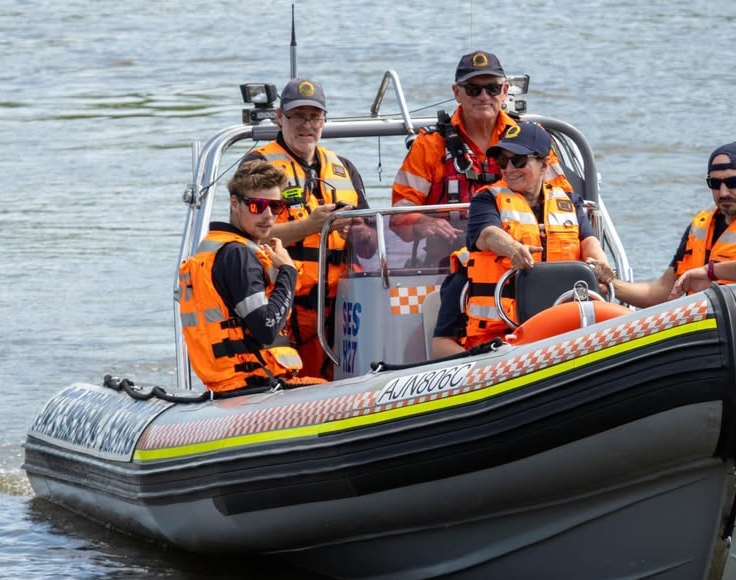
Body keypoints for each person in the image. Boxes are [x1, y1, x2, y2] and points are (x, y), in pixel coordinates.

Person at [431, 122, 614, 358]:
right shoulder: (486, 201)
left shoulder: (570, 203)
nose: (509, 169)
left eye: (518, 161)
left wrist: (600, 263)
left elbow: (589, 241)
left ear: (544, 164)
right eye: (503, 161)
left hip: (564, 333)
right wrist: (514, 249)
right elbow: (488, 234)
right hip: (499, 345)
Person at [243, 77, 372, 379]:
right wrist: (310, 226)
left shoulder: (344, 167)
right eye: (298, 116)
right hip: (280, 304)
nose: (307, 125)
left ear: (325, 119)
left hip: (341, 307)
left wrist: (360, 231)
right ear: (279, 117)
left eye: (314, 117)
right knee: (288, 383)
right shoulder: (258, 165)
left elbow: (370, 238)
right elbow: (246, 237)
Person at [391, 51, 572, 264]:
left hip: (527, 262)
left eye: (492, 88)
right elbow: (399, 214)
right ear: (456, 92)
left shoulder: (531, 138)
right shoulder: (429, 144)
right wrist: (422, 222)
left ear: (505, 91)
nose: (484, 97)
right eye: (473, 90)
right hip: (446, 266)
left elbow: (562, 201)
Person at [178, 161, 324, 393]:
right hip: (253, 385)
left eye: (276, 207)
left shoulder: (216, 249)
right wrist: (288, 272)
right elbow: (266, 327)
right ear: (235, 204)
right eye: (258, 205)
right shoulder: (238, 255)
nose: (268, 216)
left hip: (234, 384)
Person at [612, 142, 736, 308]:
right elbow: (662, 292)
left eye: (734, 182)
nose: (723, 192)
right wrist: (610, 285)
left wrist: (710, 272)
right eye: (714, 184)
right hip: (713, 331)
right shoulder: (701, 226)